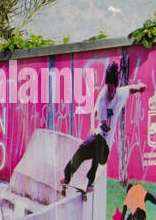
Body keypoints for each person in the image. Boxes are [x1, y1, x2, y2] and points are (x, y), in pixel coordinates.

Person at [62, 62, 146, 190]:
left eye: (112, 90)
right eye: (108, 89)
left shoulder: (120, 94)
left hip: (105, 148)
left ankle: (89, 180)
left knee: (98, 142)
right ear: (106, 86)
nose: (110, 93)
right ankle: (68, 176)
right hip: (97, 137)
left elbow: (131, 89)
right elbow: (94, 112)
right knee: (82, 149)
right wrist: (91, 126)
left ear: (116, 88)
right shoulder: (102, 96)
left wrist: (140, 87)